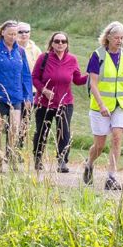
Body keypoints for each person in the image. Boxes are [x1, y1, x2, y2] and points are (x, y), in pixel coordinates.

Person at [84, 21, 123, 191]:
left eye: (122, 38)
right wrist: (101, 105)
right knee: (99, 145)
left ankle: (111, 177)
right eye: (116, 38)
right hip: (101, 106)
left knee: (116, 138)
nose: (120, 41)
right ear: (108, 37)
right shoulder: (97, 55)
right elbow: (93, 83)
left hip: (121, 105)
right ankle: (89, 163)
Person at [31, 31, 87, 173]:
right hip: (44, 103)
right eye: (57, 41)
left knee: (64, 132)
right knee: (42, 131)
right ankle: (38, 158)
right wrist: (44, 90)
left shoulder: (72, 60)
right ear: (52, 43)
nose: (60, 44)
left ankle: (62, 161)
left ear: (67, 44)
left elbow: (77, 80)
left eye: (63, 41)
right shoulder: (44, 58)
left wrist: (91, 75)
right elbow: (34, 78)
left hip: (65, 102)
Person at [0, 19, 33, 169]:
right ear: (2, 33)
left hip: (16, 95)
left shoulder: (20, 52)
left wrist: (28, 96)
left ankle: (11, 155)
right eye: (10, 34)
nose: (12, 37)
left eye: (15, 34)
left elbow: (26, 76)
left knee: (14, 128)